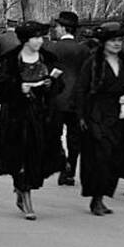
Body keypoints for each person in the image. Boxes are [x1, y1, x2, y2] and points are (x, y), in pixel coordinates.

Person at [0, 20, 66, 220]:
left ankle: (23, 187)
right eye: (35, 37)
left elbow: (61, 85)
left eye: (41, 37)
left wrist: (51, 84)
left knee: (36, 155)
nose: (39, 41)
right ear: (25, 39)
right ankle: (25, 196)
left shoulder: (48, 58)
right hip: (17, 115)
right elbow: (0, 90)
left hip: (41, 114)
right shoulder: (9, 59)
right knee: (20, 154)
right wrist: (18, 88)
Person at [72, 21, 124, 216]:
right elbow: (81, 89)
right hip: (97, 113)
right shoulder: (93, 62)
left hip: (119, 113)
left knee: (114, 157)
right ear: (104, 43)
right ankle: (97, 198)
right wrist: (82, 115)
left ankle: (104, 193)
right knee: (99, 156)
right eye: (112, 41)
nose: (117, 44)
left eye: (119, 40)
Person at [44, 10, 89, 186]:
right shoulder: (84, 50)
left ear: (63, 28)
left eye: (57, 26)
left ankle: (63, 165)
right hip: (77, 99)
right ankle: (71, 168)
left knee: (54, 135)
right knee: (75, 137)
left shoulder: (51, 48)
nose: (55, 29)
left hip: (56, 98)